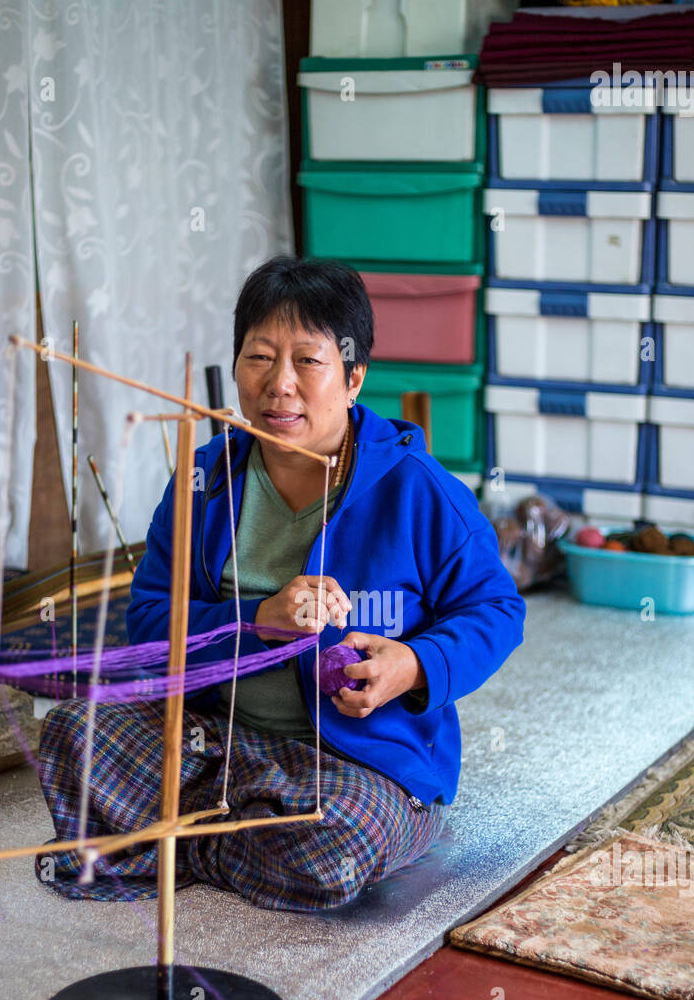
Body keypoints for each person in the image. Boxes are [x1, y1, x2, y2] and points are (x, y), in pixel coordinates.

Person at [36, 256, 526, 911]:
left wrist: (412, 664)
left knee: (338, 840)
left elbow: (497, 608)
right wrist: (256, 618)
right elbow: (150, 619)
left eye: (307, 361)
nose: (279, 385)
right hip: (215, 741)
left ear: (354, 378)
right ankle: (235, 835)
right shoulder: (203, 483)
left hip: (355, 764)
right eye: (259, 358)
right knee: (73, 732)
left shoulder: (418, 490)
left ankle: (173, 840)